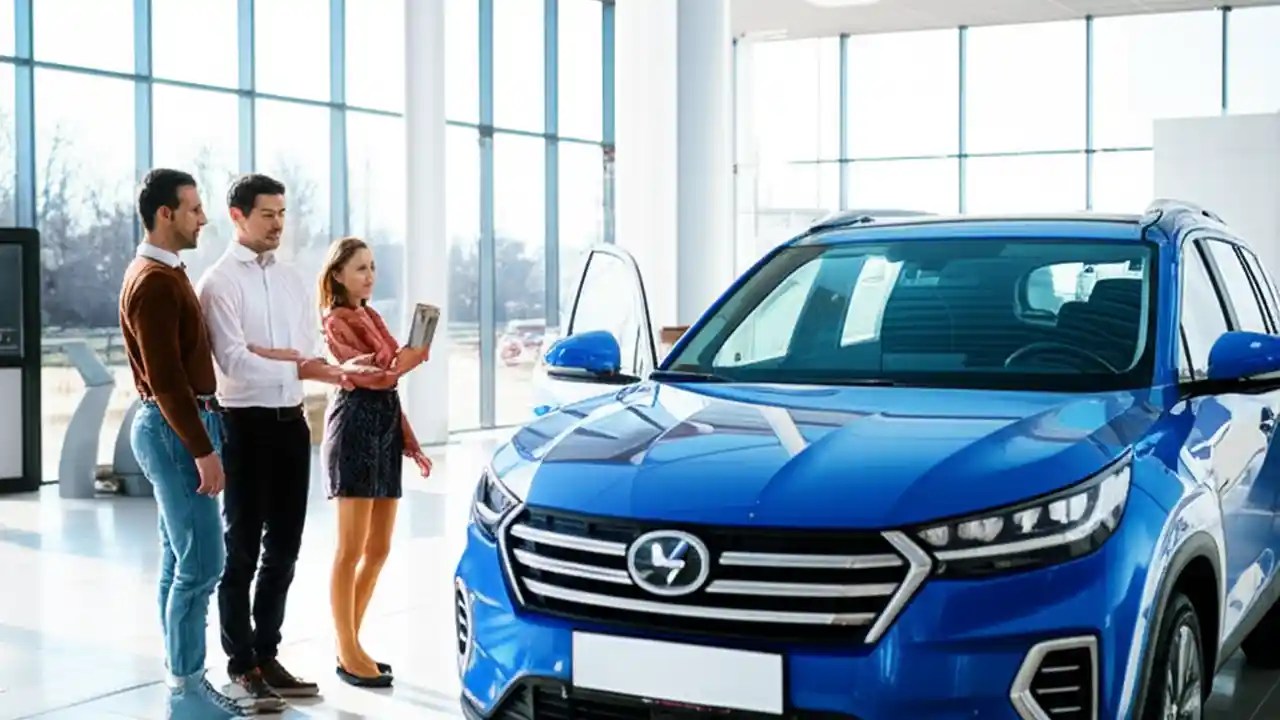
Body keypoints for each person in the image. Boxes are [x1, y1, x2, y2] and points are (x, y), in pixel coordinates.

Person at [195, 174, 366, 710]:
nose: (278, 223)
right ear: (238, 216)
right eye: (268, 213)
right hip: (242, 424)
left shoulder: (291, 279)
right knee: (240, 549)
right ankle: (240, 663)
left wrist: (306, 364)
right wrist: (291, 361)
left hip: (292, 423)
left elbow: (303, 349)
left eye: (283, 213)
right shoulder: (218, 283)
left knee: (285, 550)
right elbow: (234, 361)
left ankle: (267, 654)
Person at [120, 168, 246, 719]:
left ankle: (184, 682)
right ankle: (188, 695)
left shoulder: (164, 273)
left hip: (175, 424)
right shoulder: (154, 281)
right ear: (165, 214)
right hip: (176, 429)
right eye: (193, 208)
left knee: (180, 561)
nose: (203, 217)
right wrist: (203, 448)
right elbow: (167, 378)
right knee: (201, 565)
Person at [315, 236, 432, 687]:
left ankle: (352, 645)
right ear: (337, 275)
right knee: (349, 550)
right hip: (354, 431)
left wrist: (411, 443)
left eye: (372, 266)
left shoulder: (371, 315)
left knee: (379, 548)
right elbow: (368, 373)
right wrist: (406, 361)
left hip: (383, 429)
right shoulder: (335, 322)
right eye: (360, 268)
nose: (369, 275)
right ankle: (348, 651)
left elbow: (389, 383)